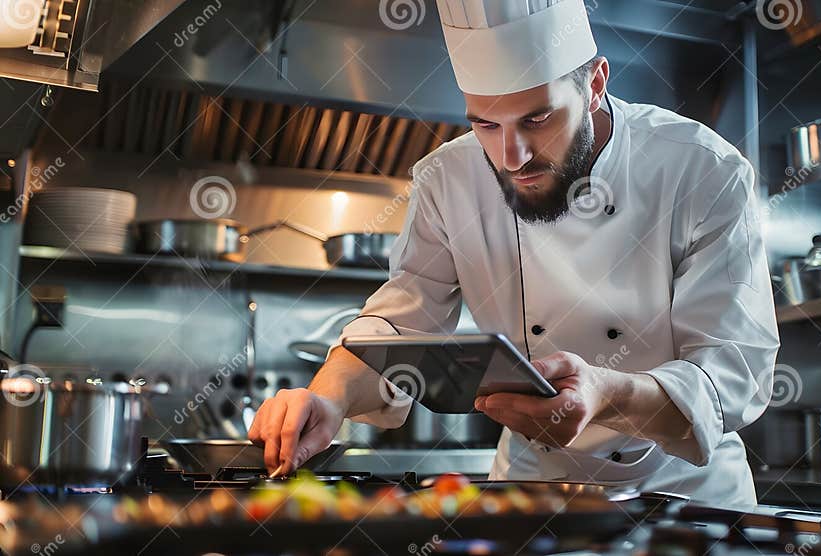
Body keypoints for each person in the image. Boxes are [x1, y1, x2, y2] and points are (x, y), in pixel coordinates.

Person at [249, 0, 780, 508]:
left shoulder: (700, 168)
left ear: (594, 84)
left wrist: (608, 393)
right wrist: (328, 400)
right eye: (484, 123)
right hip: (529, 496)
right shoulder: (446, 180)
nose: (512, 158)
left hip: (684, 496)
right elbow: (397, 324)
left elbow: (730, 369)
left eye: (537, 119)